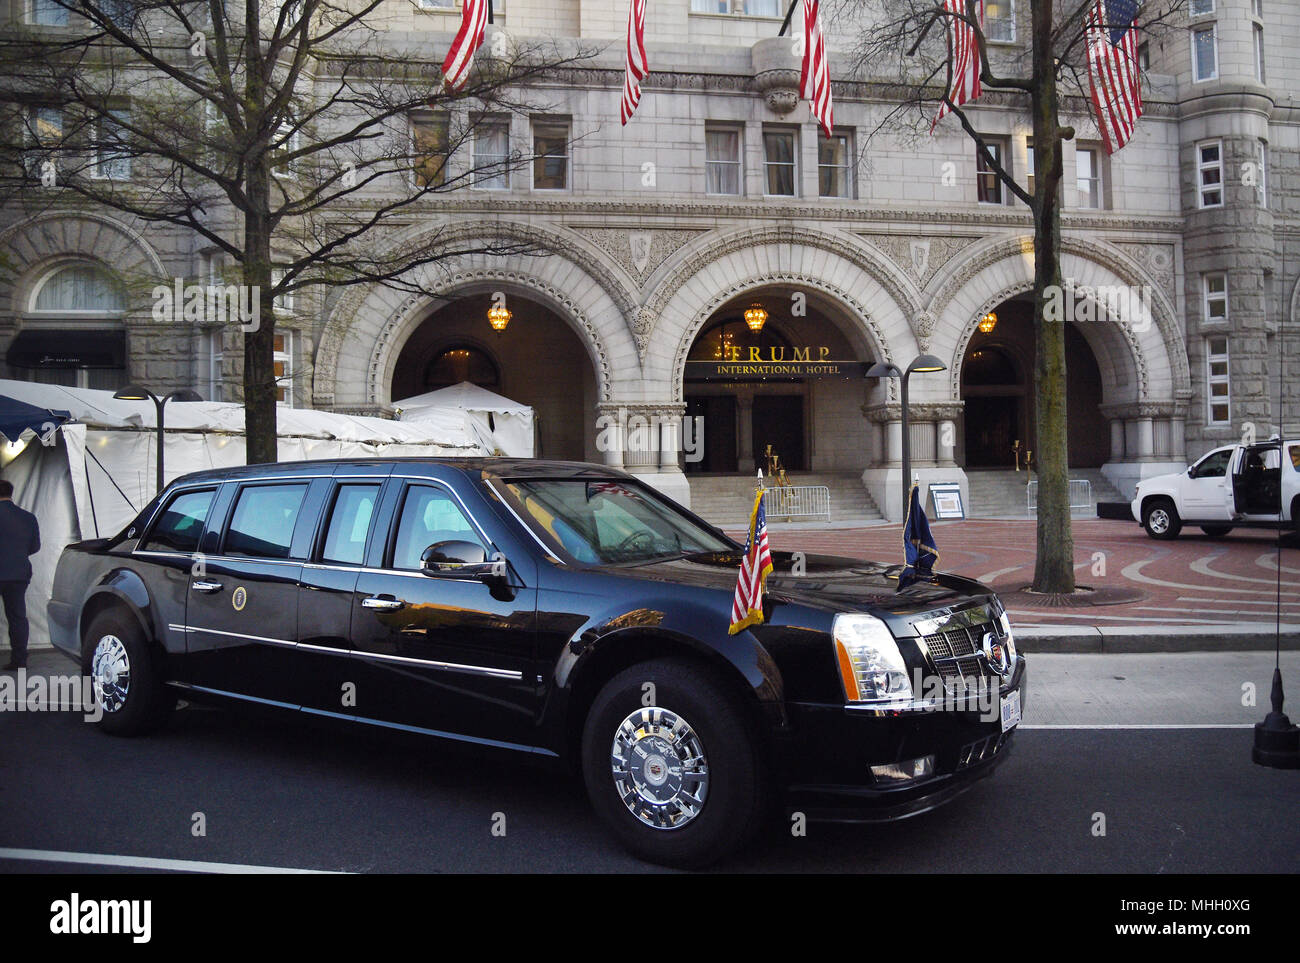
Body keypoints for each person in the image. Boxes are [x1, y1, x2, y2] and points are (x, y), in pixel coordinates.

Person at [0, 479, 41, 670]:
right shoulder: (28, 517)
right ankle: (19, 660)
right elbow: (35, 547)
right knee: (17, 617)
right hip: (18, 574)